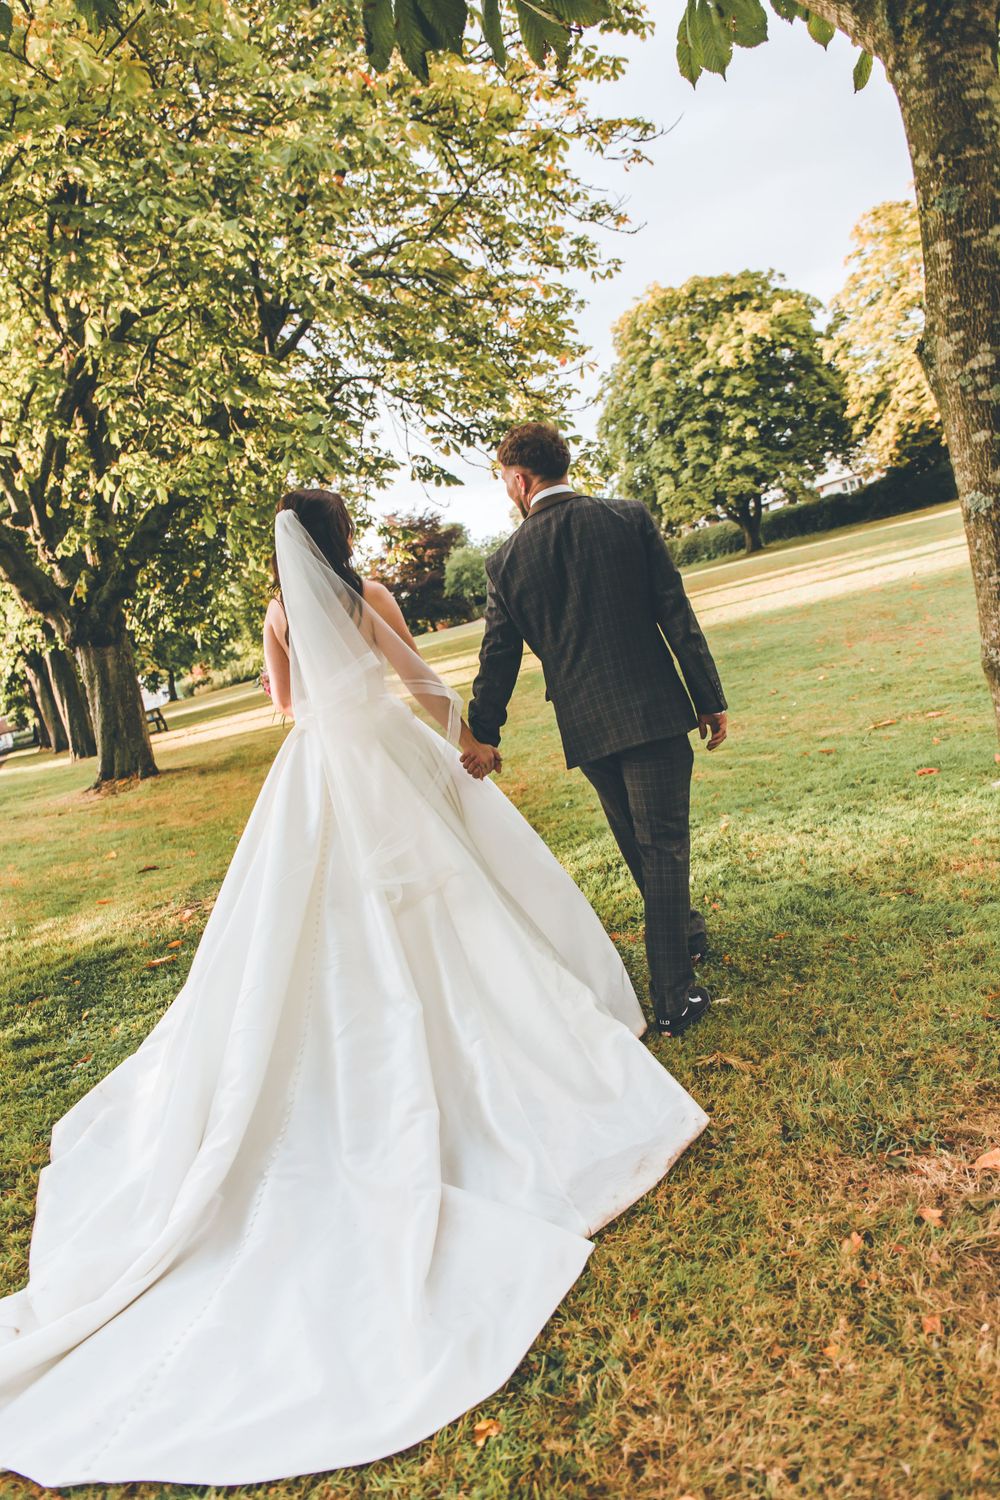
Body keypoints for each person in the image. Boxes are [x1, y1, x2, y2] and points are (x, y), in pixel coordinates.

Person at [0, 488, 708, 1487]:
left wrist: (314, 688)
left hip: (317, 771)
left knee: (317, 929)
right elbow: (415, 676)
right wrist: (466, 732)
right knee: (455, 908)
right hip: (383, 755)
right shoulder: (368, 589)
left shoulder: (280, 614)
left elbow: (284, 707)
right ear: (338, 539)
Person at [467, 423, 729, 1039]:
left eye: (506, 480)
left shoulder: (506, 561)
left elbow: (497, 658)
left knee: (642, 842)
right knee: (661, 844)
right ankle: (673, 996)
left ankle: (685, 936)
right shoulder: (628, 519)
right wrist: (708, 696)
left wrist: (483, 732)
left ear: (521, 479)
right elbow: (675, 611)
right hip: (654, 710)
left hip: (586, 726)